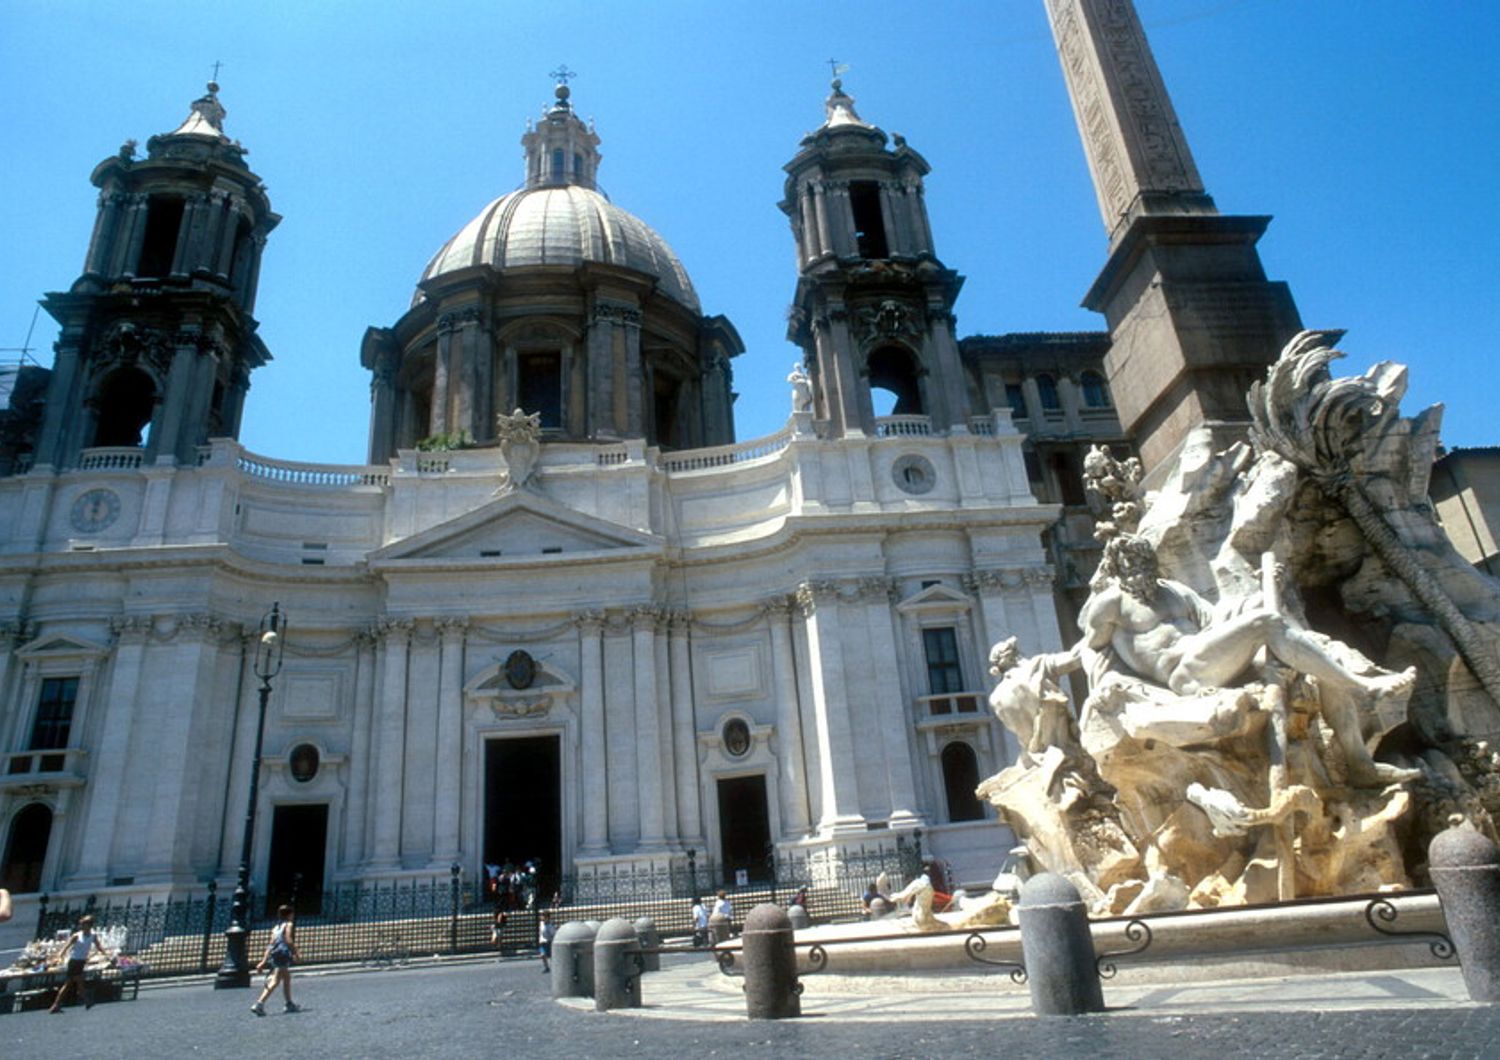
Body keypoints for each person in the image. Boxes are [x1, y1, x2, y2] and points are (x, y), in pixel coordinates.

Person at [1080, 533, 1419, 787]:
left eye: (1144, 561)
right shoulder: (1109, 605)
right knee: (1265, 623)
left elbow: (1215, 622)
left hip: (1212, 657)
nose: (1140, 570)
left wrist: (1262, 589)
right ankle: (1363, 688)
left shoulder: (1174, 591)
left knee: (1311, 658)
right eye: (1131, 564)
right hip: (1185, 677)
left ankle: (1359, 763)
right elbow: (1092, 649)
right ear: (1117, 568)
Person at [49, 914, 109, 1013]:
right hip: (74, 962)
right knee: (75, 983)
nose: (83, 926)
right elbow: (66, 947)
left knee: (74, 984)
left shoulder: (93, 936)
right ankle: (85, 1001)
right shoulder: (76, 936)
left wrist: (105, 953)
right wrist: (60, 956)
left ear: (89, 926)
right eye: (82, 924)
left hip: (81, 962)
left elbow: (98, 946)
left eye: (85, 924)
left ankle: (60, 1004)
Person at [251, 904, 300, 1016]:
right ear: (289, 915)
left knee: (286, 977)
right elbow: (288, 939)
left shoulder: (275, 928)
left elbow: (270, 945)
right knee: (275, 980)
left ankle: (289, 1003)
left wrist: (263, 961)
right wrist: (295, 952)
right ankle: (259, 1004)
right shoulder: (288, 924)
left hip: (275, 954)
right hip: (283, 954)